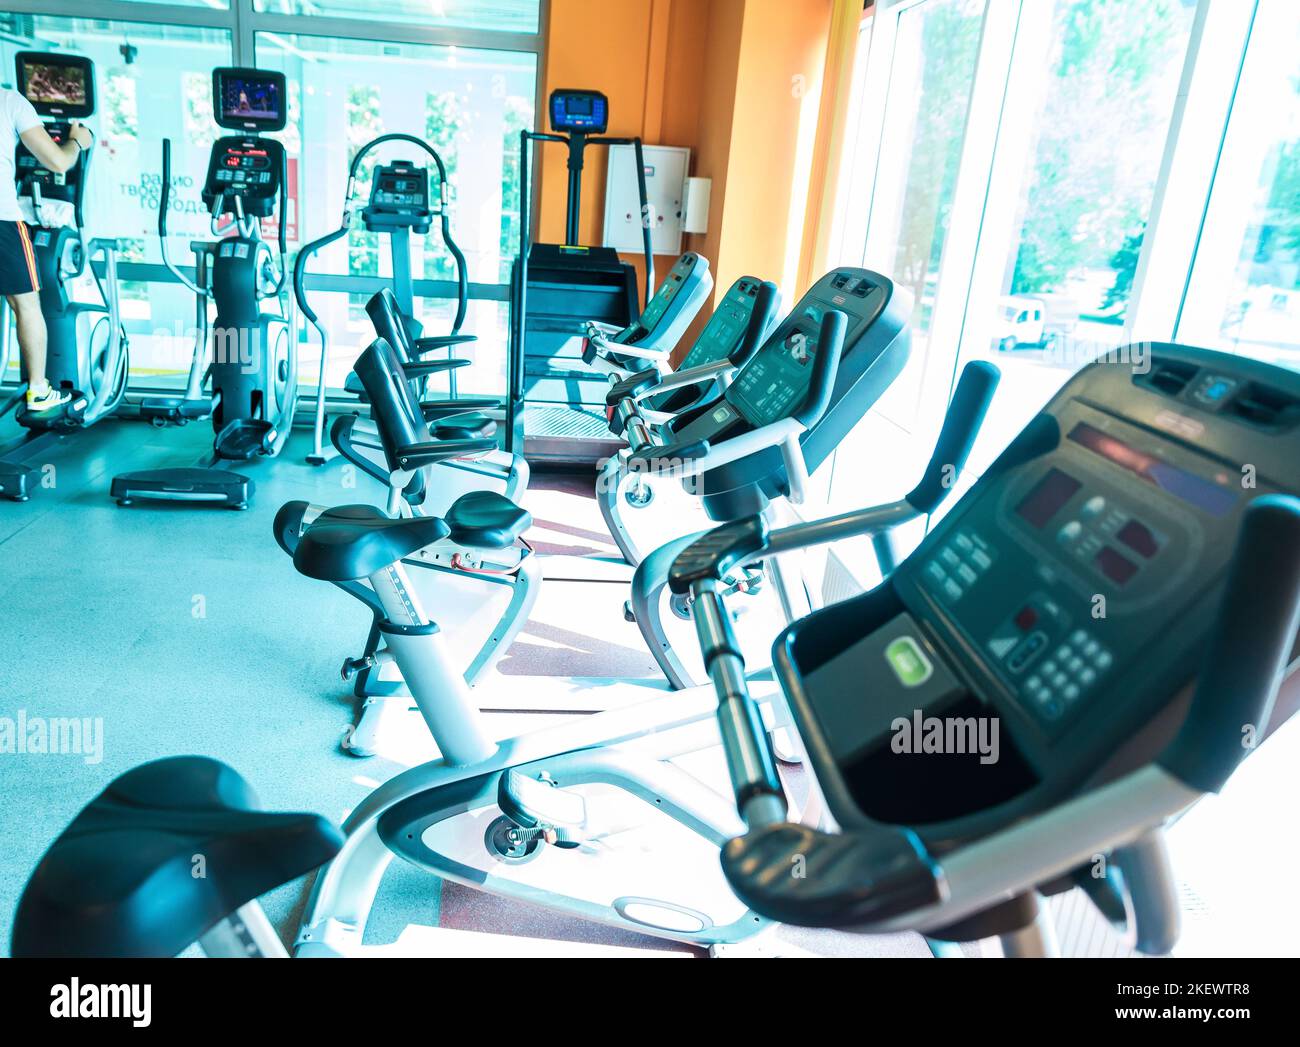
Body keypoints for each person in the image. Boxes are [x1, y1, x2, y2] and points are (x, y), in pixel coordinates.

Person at [0, 85, 94, 412]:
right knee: (26, 305)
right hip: (2, 221)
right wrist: (77, 142)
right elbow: (57, 162)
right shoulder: (10, 101)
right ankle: (38, 389)